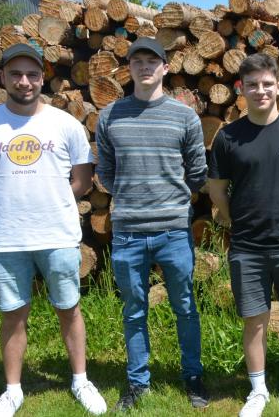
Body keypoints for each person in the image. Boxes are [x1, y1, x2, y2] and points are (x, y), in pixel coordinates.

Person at [208, 53, 279, 417]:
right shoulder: (228, 137)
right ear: (240, 89)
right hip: (248, 246)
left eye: (267, 84)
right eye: (252, 85)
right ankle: (258, 391)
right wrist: (236, 220)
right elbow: (217, 190)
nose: (260, 91)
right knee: (254, 321)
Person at [95, 37, 209, 411]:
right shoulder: (110, 116)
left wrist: (171, 198)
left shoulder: (185, 117)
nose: (145, 67)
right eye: (137, 61)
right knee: (133, 310)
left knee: (185, 307)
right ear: (129, 68)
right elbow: (105, 171)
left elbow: (197, 172)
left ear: (165, 67)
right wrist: (130, 196)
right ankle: (137, 382)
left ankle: (193, 376)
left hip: (173, 231)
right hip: (128, 232)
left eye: (152, 61)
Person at [0, 44, 107, 417]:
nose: (24, 81)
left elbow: (82, 181)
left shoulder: (66, 124)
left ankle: (80, 380)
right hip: (6, 239)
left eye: (31, 74)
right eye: (15, 74)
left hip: (57, 235)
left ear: (43, 78)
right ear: (3, 78)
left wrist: (49, 200)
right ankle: (13, 390)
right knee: (12, 314)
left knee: (69, 309)